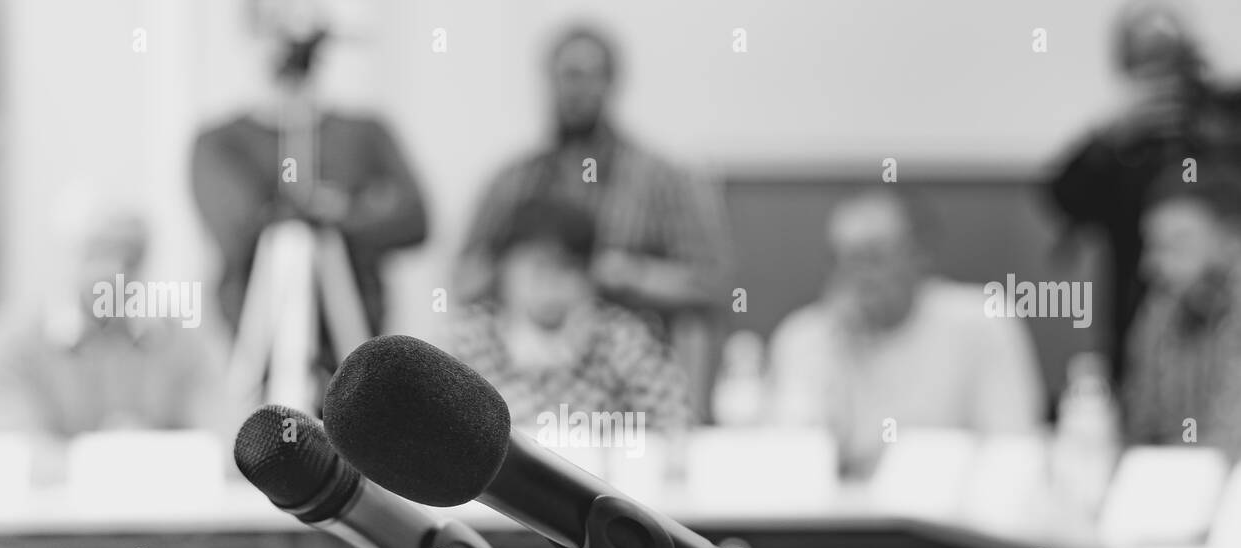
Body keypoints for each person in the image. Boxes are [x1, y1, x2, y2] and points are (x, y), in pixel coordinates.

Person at [455, 24, 730, 419]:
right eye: (565, 75)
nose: (574, 89)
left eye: (587, 76)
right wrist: (524, 276)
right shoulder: (514, 180)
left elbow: (712, 281)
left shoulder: (662, 180)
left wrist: (630, 275)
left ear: (611, 83)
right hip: (524, 364)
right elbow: (465, 278)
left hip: (623, 367)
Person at [190, 14, 426, 356]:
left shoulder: (367, 132)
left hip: (355, 339)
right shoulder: (218, 142)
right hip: (256, 340)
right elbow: (241, 229)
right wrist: (353, 207)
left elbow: (414, 219)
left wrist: (337, 214)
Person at [768, 190, 1045, 476]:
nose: (859, 275)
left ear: (919, 255)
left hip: (952, 512)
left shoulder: (981, 322)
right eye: (844, 260)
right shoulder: (805, 337)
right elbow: (792, 459)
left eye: (873, 256)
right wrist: (834, 351)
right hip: (841, 517)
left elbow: (1014, 448)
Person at [1047, 0, 1241, 385]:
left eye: (1167, 59)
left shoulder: (1225, 118)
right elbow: (1063, 197)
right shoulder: (1120, 146)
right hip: (1137, 312)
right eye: (1145, 63)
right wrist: (1111, 137)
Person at [0, 193, 231, 439]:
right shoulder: (11, 340)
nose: (115, 269)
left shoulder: (182, 342)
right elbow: (19, 447)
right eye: (100, 252)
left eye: (130, 256)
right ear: (70, 255)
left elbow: (220, 434)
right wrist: (112, 455)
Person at [451, 197, 691, 436]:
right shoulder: (467, 342)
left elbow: (675, 422)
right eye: (539, 267)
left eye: (567, 267)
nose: (551, 283)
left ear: (590, 275)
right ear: (503, 269)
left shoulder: (620, 340)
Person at [1123, 169, 1241, 460]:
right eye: (1151, 246)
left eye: (1176, 244)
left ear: (1232, 239)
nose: (1152, 264)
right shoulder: (1162, 308)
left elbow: (1230, 438)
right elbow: (1141, 424)